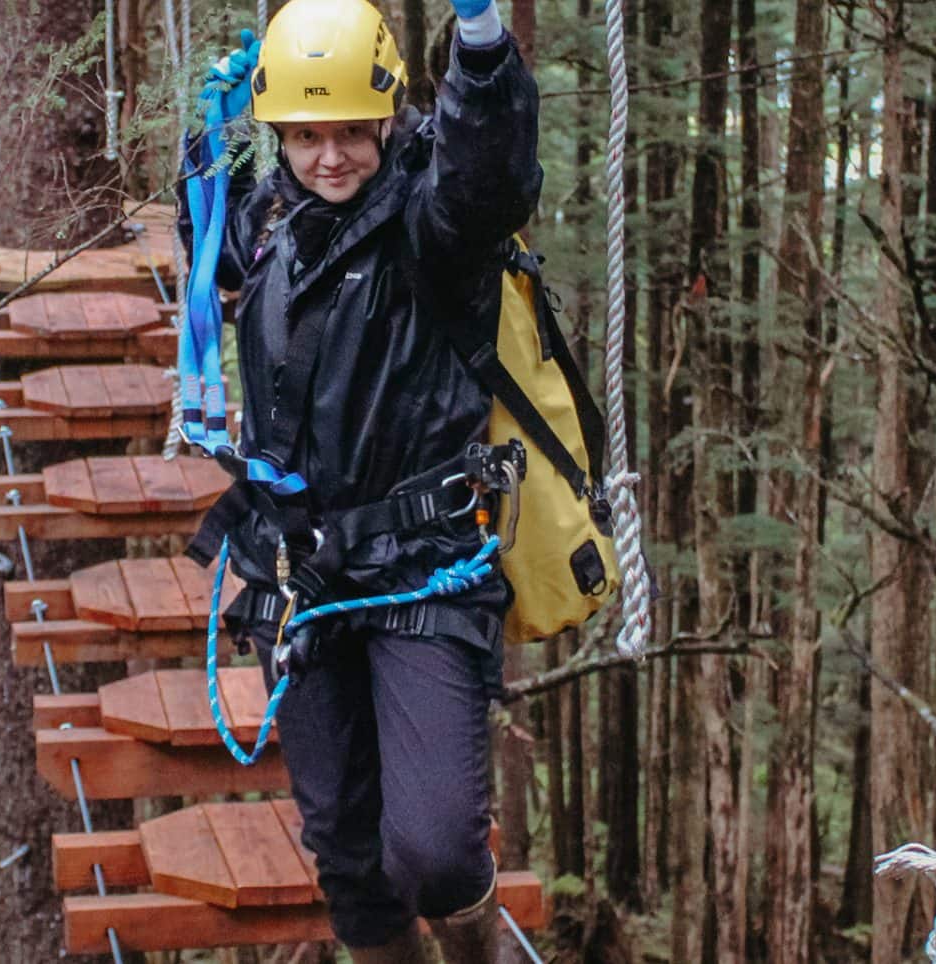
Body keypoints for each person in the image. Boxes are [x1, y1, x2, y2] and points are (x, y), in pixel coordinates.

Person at [180, 0, 539, 961]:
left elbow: (489, 174)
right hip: (299, 575)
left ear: (388, 117)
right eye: (304, 135)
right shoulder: (265, 220)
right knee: (345, 854)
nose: (328, 157)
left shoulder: (435, 223)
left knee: (430, 850)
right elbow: (204, 230)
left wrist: (480, 48)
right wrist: (206, 131)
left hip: (423, 563)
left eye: (348, 131)